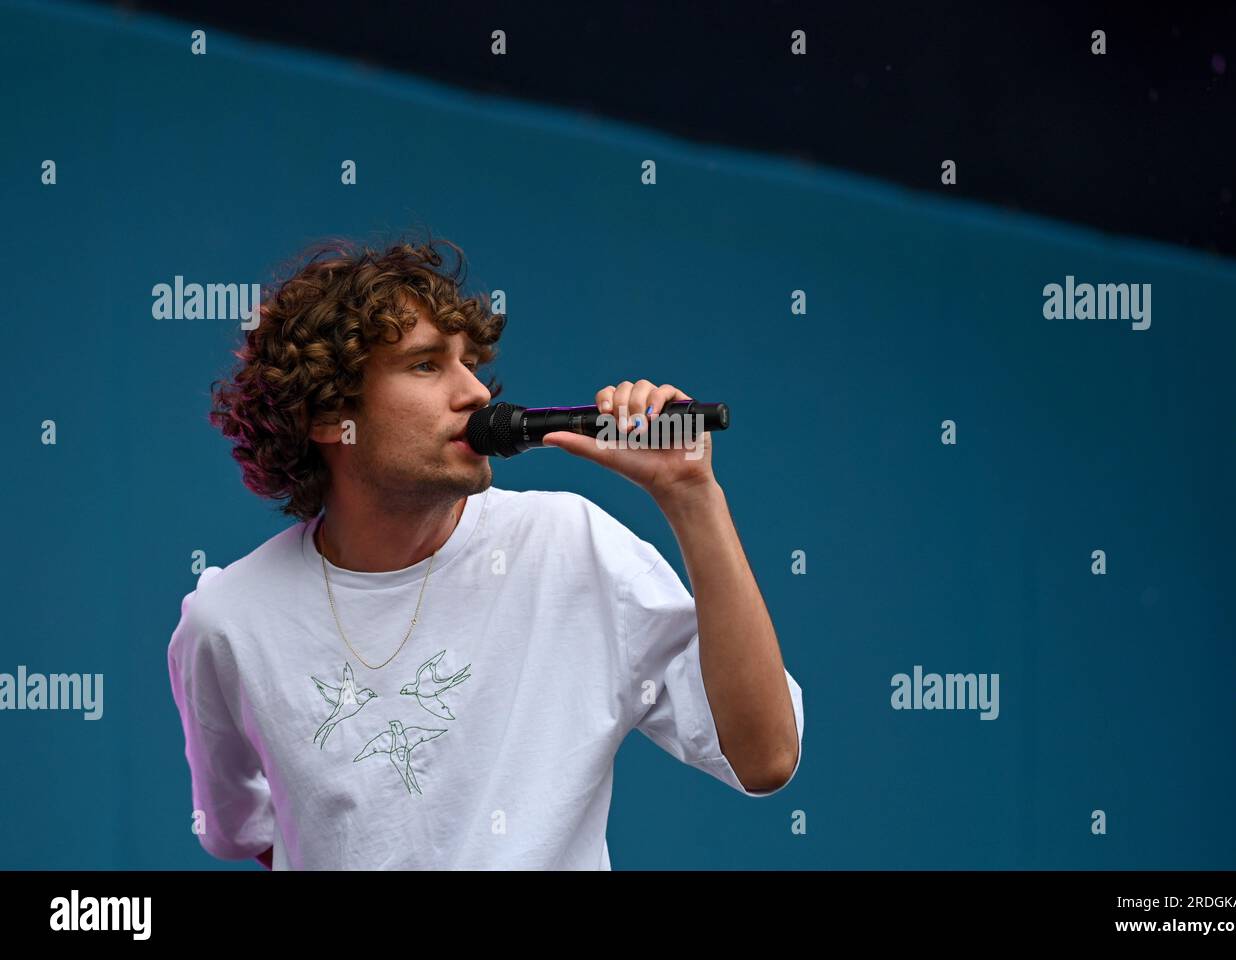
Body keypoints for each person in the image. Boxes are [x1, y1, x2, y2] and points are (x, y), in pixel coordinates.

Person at [166, 237, 804, 870]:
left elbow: (765, 757)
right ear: (329, 416)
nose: (475, 392)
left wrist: (693, 497)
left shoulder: (570, 544)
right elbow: (248, 830)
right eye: (425, 365)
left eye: (469, 361)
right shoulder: (226, 620)